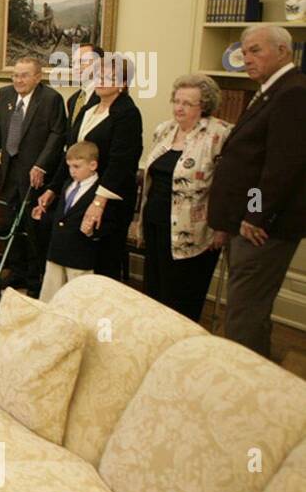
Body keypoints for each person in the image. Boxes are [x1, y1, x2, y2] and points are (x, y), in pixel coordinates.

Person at [208, 24, 306, 358]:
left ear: (283, 51)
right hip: (245, 222)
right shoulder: (270, 90)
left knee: (244, 316)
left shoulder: (293, 93)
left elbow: (282, 166)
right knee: (249, 310)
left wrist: (255, 213)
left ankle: (240, 381)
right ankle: (259, 371)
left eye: (255, 50)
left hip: (261, 228)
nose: (246, 58)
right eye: (244, 51)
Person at [38, 51, 143, 282]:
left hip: (107, 201)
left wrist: (98, 203)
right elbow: (71, 152)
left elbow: (121, 163)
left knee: (99, 263)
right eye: (98, 74)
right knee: (67, 256)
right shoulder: (88, 110)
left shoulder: (127, 114)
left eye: (110, 76)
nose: (101, 80)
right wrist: (53, 188)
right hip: (76, 193)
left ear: (123, 83)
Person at [140, 74, 232, 322]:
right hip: (155, 221)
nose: (179, 108)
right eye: (177, 101)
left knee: (181, 297)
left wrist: (221, 227)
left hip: (193, 229)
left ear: (205, 106)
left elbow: (229, 185)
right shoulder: (164, 130)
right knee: (155, 290)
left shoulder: (220, 133)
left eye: (188, 103)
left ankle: (181, 342)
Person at [0, 55, 68, 292]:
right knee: (12, 225)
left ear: (38, 77)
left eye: (24, 76)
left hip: (36, 175)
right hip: (10, 172)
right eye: (15, 75)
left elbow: (58, 135)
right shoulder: (5, 94)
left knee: (33, 229)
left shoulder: (51, 99)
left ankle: (34, 279)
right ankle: (16, 271)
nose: (18, 80)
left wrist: (41, 165)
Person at [33, 142, 101, 300]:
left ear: (93, 165)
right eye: (69, 166)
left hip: (80, 255)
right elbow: (62, 216)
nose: (72, 171)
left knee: (77, 298)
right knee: (50, 294)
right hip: (57, 251)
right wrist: (44, 216)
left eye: (77, 166)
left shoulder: (99, 192)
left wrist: (92, 231)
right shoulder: (67, 185)